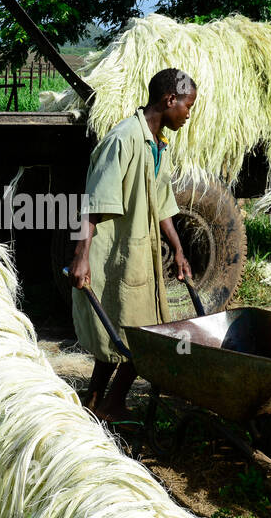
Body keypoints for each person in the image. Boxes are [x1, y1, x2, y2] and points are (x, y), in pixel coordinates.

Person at [68, 68, 194, 424]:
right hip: (113, 250)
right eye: (187, 106)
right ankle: (107, 405)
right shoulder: (123, 139)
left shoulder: (158, 144)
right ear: (170, 99)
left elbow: (162, 202)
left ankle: (96, 402)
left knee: (126, 331)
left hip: (141, 251)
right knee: (138, 336)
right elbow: (92, 201)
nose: (188, 114)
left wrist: (179, 251)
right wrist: (81, 258)